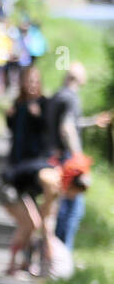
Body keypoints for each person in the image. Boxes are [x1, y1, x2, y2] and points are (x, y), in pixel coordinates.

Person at [0, 65, 61, 276]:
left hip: (36, 167)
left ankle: (31, 260)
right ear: (23, 82)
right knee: (29, 220)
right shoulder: (18, 104)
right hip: (19, 169)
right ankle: (24, 259)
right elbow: (13, 132)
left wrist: (39, 117)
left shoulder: (45, 103)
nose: (32, 85)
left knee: (38, 220)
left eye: (35, 81)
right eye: (29, 80)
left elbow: (50, 131)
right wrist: (10, 117)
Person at [46, 63, 111, 250]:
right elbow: (66, 129)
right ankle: (62, 257)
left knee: (59, 208)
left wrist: (92, 122)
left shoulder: (58, 96)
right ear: (80, 78)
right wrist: (78, 159)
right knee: (72, 210)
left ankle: (53, 255)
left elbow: (71, 123)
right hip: (68, 160)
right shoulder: (71, 99)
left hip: (55, 157)